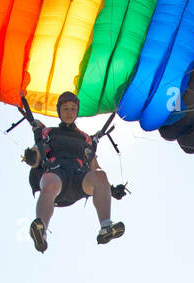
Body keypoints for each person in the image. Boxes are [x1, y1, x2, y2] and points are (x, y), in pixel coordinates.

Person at [22, 91, 125, 253]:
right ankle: (40, 230)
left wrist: (111, 189)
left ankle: (106, 226)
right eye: (65, 109)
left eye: (72, 109)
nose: (69, 113)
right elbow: (37, 156)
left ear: (77, 111)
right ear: (59, 111)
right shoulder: (48, 133)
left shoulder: (85, 138)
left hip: (78, 178)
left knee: (100, 175)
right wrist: (31, 157)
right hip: (57, 175)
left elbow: (94, 165)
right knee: (51, 181)